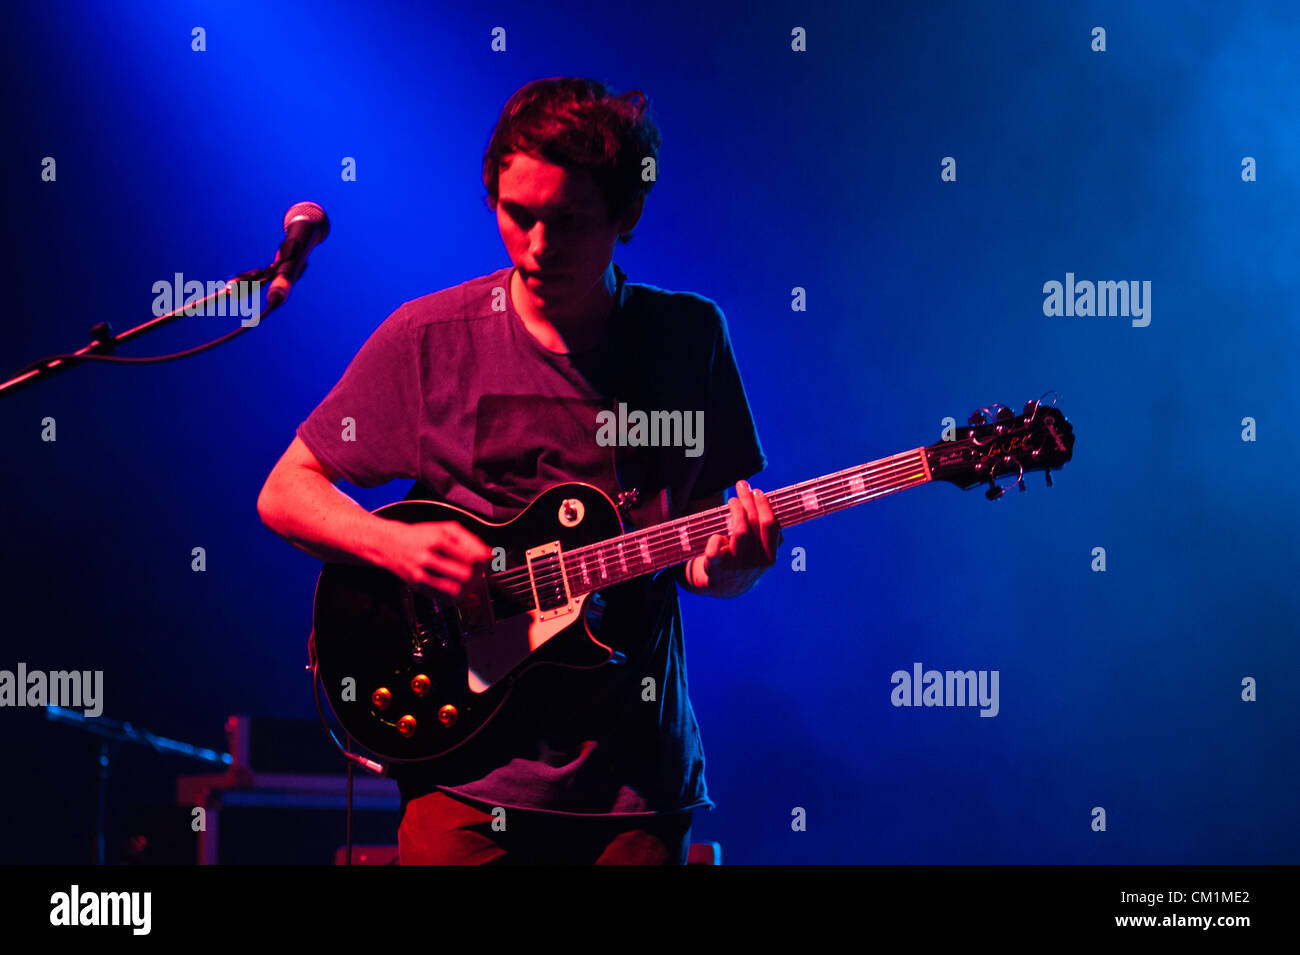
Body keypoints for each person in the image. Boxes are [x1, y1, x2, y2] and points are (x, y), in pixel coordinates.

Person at [257, 77, 781, 864]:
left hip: (633, 778)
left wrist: (736, 566)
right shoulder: (431, 338)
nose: (538, 245)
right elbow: (285, 490)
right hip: (465, 770)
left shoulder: (686, 338)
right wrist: (393, 546)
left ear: (625, 214)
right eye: (517, 215)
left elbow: (701, 555)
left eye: (567, 221)